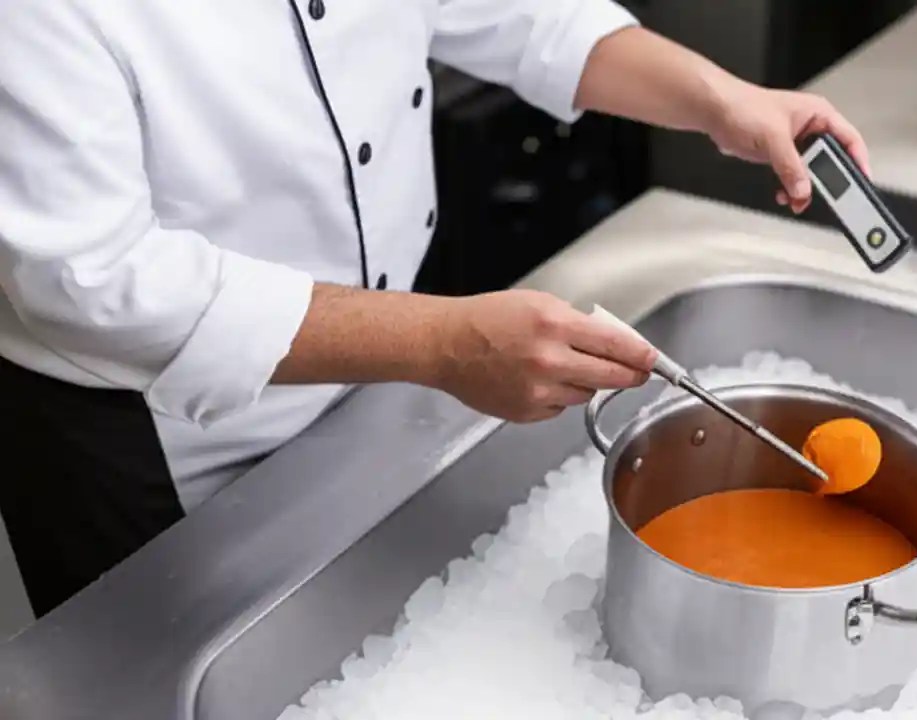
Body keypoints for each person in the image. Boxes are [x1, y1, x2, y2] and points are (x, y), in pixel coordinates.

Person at [0, 0, 872, 617]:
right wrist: (441, 344)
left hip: (381, 362)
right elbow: (90, 277)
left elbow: (520, 13)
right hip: (149, 435)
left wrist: (719, 99)